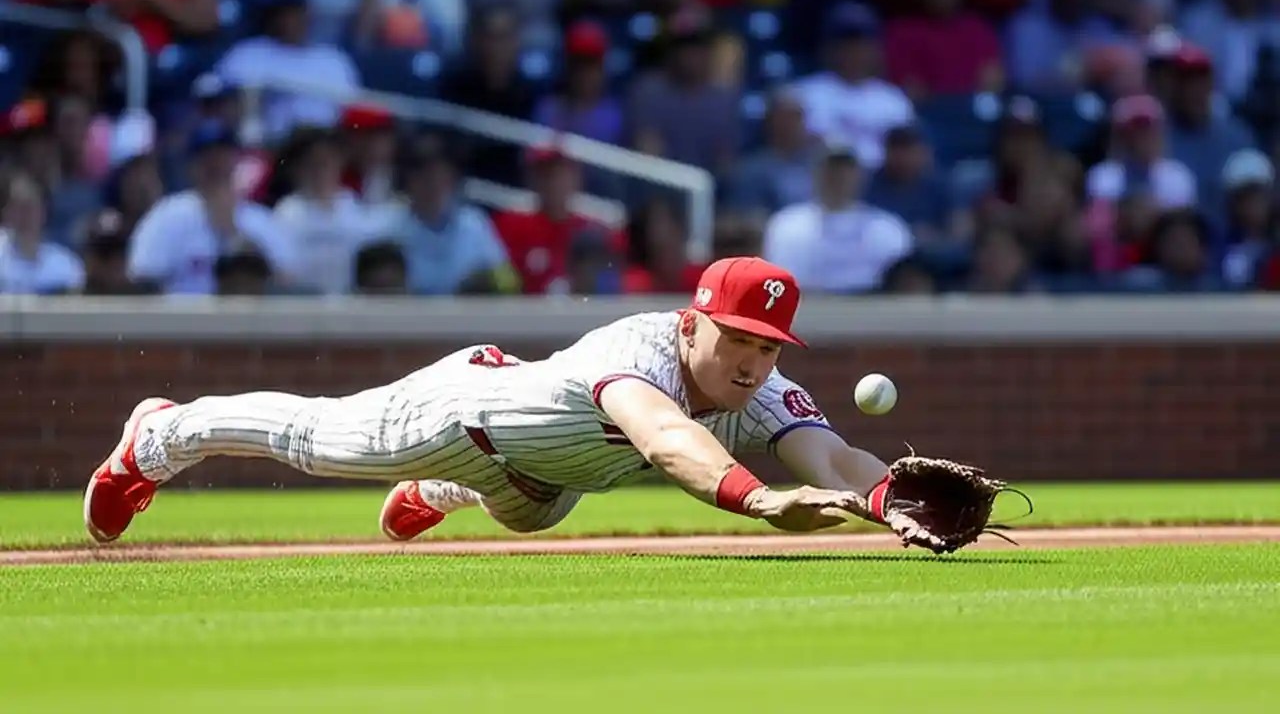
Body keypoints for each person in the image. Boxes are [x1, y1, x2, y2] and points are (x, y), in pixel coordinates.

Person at [83, 257, 950, 551]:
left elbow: (831, 456)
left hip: (542, 473)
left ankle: (441, 497)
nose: (754, 362)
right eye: (737, 339)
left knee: (533, 519)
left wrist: (888, 500)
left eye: (768, 347)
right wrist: (761, 500)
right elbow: (668, 440)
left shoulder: (761, 384)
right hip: (464, 411)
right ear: (691, 324)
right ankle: (161, 435)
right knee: (319, 441)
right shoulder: (635, 352)